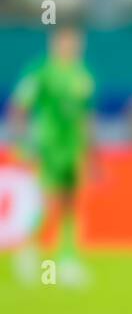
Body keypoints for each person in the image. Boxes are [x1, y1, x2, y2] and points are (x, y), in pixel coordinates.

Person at [8, 25, 96, 285]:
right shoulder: (41, 72)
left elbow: (85, 117)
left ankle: (67, 259)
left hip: (72, 149)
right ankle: (29, 250)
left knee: (71, 203)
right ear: (55, 43)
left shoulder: (83, 76)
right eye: (66, 42)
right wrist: (21, 142)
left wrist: (90, 153)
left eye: (76, 43)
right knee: (47, 202)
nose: (71, 47)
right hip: (47, 147)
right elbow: (19, 107)